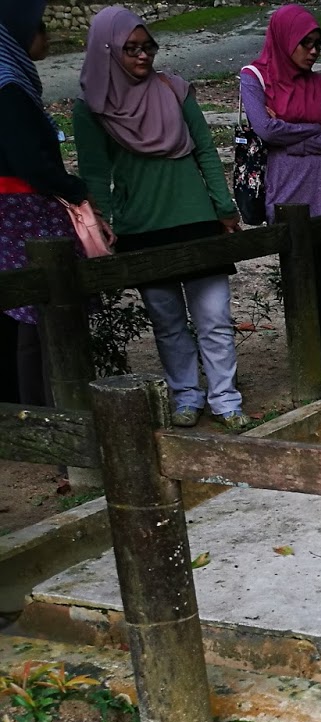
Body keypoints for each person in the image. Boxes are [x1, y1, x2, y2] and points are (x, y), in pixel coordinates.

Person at [75, 6, 246, 429]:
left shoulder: (174, 89)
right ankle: (186, 397)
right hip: (143, 227)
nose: (142, 56)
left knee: (215, 320)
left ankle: (227, 400)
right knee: (169, 325)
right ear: (107, 50)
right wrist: (103, 222)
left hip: (197, 218)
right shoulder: (93, 108)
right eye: (130, 48)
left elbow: (205, 149)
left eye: (147, 46)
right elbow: (94, 172)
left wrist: (223, 207)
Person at [240, 4, 321, 390]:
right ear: (285, 41)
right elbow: (265, 131)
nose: (314, 51)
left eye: (318, 44)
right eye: (306, 43)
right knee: (298, 282)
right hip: (285, 190)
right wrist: (310, 133)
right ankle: (310, 365)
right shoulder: (254, 78)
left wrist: (294, 138)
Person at [0, 0, 93, 406]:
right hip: (21, 213)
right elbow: (28, 160)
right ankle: (47, 415)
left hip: (13, 210)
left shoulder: (13, 80)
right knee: (39, 315)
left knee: (23, 313)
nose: (48, 35)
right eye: (40, 26)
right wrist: (73, 188)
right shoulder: (8, 88)